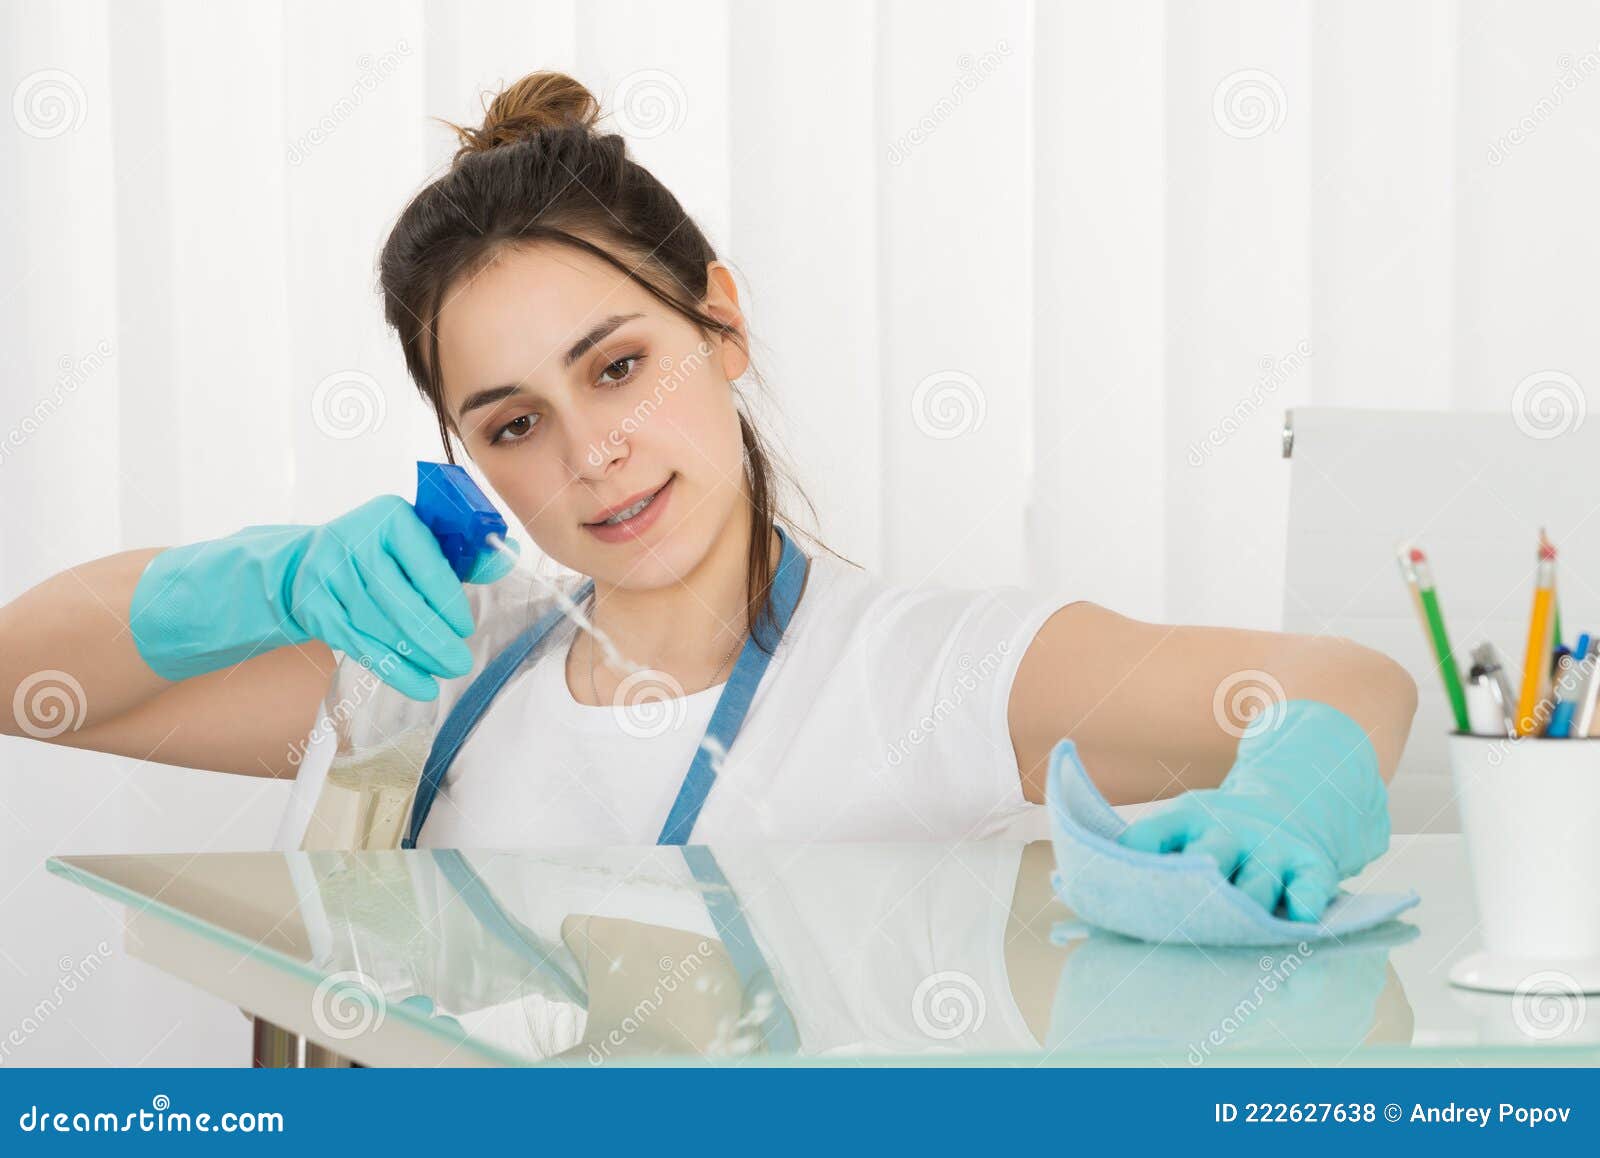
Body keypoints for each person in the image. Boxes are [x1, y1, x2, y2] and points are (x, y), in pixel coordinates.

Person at [0, 72, 1417, 922]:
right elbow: (30, 676)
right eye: (513, 422)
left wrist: (1293, 794)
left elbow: (1346, 684)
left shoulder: (918, 673)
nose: (589, 454)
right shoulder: (432, 668)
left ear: (719, 327)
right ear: (464, 453)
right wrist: (267, 577)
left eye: (618, 366)